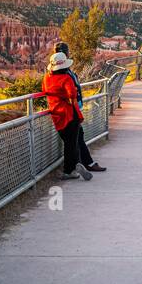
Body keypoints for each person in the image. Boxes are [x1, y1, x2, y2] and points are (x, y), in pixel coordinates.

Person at [51, 42, 105, 172]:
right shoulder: (65, 75)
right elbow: (72, 94)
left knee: (76, 138)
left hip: (63, 112)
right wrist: (77, 112)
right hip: (71, 112)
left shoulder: (54, 75)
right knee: (75, 139)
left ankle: (82, 163)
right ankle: (81, 164)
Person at [42, 51, 92, 180]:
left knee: (68, 142)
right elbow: (72, 95)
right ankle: (73, 166)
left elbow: (44, 91)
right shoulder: (66, 78)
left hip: (56, 114)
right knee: (72, 143)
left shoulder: (47, 78)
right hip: (70, 114)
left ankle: (71, 168)